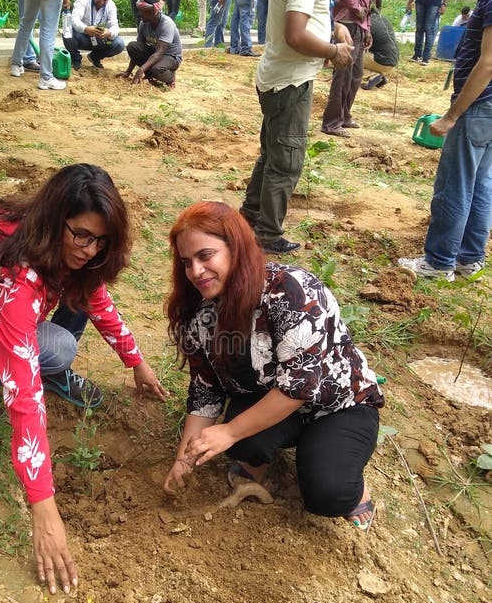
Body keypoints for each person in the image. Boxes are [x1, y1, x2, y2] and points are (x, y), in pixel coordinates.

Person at [0, 164, 166, 595]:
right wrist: (44, 509)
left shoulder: (68, 248)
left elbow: (95, 297)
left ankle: (46, 368)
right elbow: (22, 392)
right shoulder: (13, 275)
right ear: (54, 219)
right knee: (57, 348)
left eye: (102, 241)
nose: (89, 249)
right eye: (81, 235)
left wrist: (135, 361)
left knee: (79, 292)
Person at [164, 201, 383, 532]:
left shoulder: (292, 292)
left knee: (328, 493)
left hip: (336, 404)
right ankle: (261, 456)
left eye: (206, 256)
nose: (195, 271)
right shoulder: (200, 312)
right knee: (240, 442)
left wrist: (229, 430)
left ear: (236, 249)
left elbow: (298, 388)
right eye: (186, 262)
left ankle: (345, 472)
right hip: (269, 398)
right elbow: (205, 389)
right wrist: (183, 462)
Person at [239, 0, 354, 255]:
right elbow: (295, 33)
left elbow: (309, 17)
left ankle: (250, 215)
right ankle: (267, 235)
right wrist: (334, 51)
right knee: (287, 160)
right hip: (289, 81)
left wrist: (334, 27)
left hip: (279, 76)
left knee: (272, 153)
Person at [398, 0, 492, 281]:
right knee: (480, 183)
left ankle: (438, 263)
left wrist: (453, 115)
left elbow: (487, 63)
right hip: (486, 107)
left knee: (455, 183)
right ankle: (468, 258)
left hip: (478, 105)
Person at [321, 0, 391, 137]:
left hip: (359, 25)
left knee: (356, 74)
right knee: (342, 74)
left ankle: (345, 115)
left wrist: (367, 26)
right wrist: (354, 7)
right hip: (346, 24)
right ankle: (331, 122)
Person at [120, 0, 182, 87]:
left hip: (170, 56)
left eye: (143, 11)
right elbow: (138, 49)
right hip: (154, 53)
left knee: (155, 69)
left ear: (153, 11)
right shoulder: (143, 23)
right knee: (132, 47)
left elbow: (160, 52)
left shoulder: (167, 24)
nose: (140, 14)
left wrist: (141, 69)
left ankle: (170, 77)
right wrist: (128, 72)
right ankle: (151, 74)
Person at [62, 0, 124, 70]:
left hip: (100, 39)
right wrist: (86, 29)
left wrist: (109, 33)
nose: (102, 2)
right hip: (82, 37)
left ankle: (95, 57)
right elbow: (74, 20)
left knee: (119, 43)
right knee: (67, 29)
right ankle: (75, 58)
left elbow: (115, 26)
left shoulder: (111, 5)